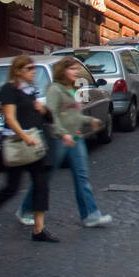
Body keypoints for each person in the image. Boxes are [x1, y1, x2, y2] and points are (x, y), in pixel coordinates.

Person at [16, 57, 112, 229]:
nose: (76, 72)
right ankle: (26, 209)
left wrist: (90, 120)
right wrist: (62, 134)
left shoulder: (71, 89)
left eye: (77, 69)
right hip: (59, 140)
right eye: (72, 69)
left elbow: (74, 115)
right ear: (63, 71)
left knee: (82, 178)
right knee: (47, 177)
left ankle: (90, 215)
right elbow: (53, 115)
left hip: (75, 138)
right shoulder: (54, 89)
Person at [0, 55, 57, 242]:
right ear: (18, 71)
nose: (33, 72)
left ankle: (39, 230)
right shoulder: (9, 90)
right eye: (29, 69)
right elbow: (9, 118)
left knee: (41, 185)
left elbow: (40, 116)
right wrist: (25, 137)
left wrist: (43, 111)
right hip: (17, 144)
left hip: (34, 143)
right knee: (11, 188)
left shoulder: (30, 90)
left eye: (33, 69)